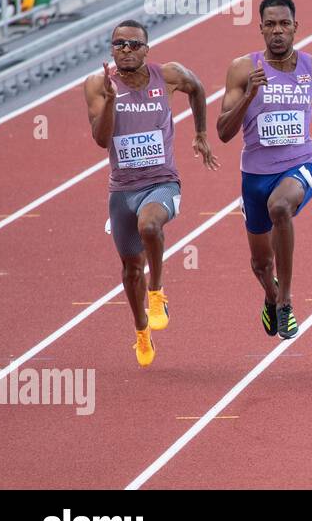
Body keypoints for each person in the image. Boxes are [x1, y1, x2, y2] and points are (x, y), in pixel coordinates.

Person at [217, 0, 312, 340]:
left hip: (299, 167)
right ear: (260, 29)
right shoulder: (242, 69)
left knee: (280, 206)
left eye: (284, 24)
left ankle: (286, 303)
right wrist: (249, 95)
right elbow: (222, 132)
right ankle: (271, 293)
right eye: (270, 25)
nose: (277, 31)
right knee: (260, 265)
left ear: (296, 27)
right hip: (254, 177)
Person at [82, 19, 219, 367]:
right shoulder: (99, 84)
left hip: (162, 181)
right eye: (119, 44)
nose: (126, 50)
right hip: (122, 189)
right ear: (112, 48)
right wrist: (111, 103)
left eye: (134, 44)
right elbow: (101, 140)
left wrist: (201, 133)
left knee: (150, 227)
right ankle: (141, 329)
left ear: (147, 49)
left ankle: (157, 293)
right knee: (130, 270)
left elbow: (198, 88)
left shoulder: (168, 75)